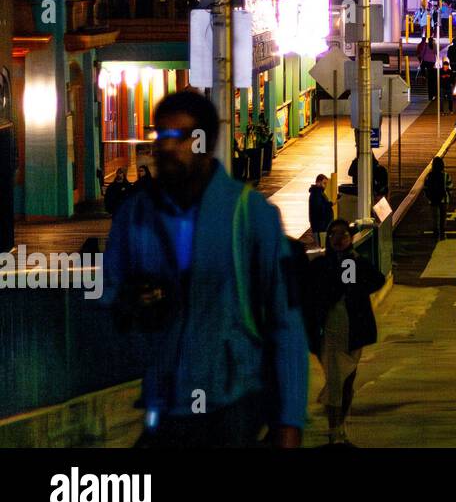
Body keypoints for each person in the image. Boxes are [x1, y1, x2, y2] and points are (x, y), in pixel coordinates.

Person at [102, 90, 307, 447]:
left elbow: (286, 318)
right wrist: (130, 303)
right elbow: (110, 295)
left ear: (205, 143)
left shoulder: (250, 213)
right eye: (161, 135)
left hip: (232, 401)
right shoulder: (135, 216)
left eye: (181, 137)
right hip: (164, 400)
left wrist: (289, 419)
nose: (167, 147)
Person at [307, 219, 386, 445]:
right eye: (334, 234)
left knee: (347, 380)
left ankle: (340, 426)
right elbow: (314, 291)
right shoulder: (322, 265)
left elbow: (376, 279)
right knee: (335, 381)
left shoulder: (356, 263)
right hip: (331, 330)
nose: (338, 239)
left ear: (350, 238)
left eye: (343, 235)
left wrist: (356, 282)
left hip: (354, 329)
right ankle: (335, 430)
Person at [423, 156, 453, 241]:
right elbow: (450, 188)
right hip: (444, 199)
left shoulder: (429, 176)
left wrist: (428, 197)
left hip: (432, 199)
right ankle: (442, 234)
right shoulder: (446, 175)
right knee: (443, 218)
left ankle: (435, 234)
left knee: (435, 218)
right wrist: (448, 197)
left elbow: (425, 188)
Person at [308, 173, 334, 248]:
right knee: (321, 247)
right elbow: (319, 208)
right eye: (324, 183)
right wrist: (329, 204)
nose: (325, 186)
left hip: (321, 226)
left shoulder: (318, 193)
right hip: (320, 227)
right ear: (318, 182)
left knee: (322, 246)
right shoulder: (317, 193)